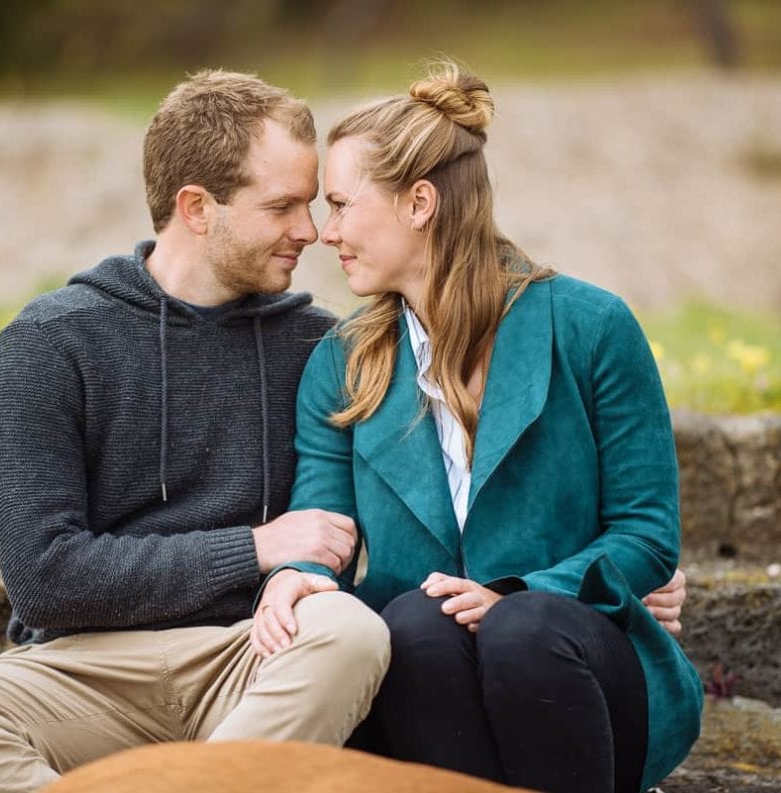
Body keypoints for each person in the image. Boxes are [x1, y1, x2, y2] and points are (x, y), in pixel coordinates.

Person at [0, 70, 392, 793]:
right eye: (282, 206)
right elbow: (44, 580)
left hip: (252, 657)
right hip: (86, 673)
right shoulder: (51, 341)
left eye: (309, 205)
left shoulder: (318, 346)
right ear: (197, 207)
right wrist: (255, 546)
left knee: (352, 634)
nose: (309, 231)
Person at [253, 63, 703, 793]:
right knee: (416, 623)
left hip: (580, 668)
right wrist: (294, 578)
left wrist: (516, 591)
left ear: (419, 202)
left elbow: (647, 534)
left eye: (339, 205)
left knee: (522, 628)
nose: (325, 233)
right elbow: (321, 528)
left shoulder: (592, 327)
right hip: (428, 685)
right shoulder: (341, 362)